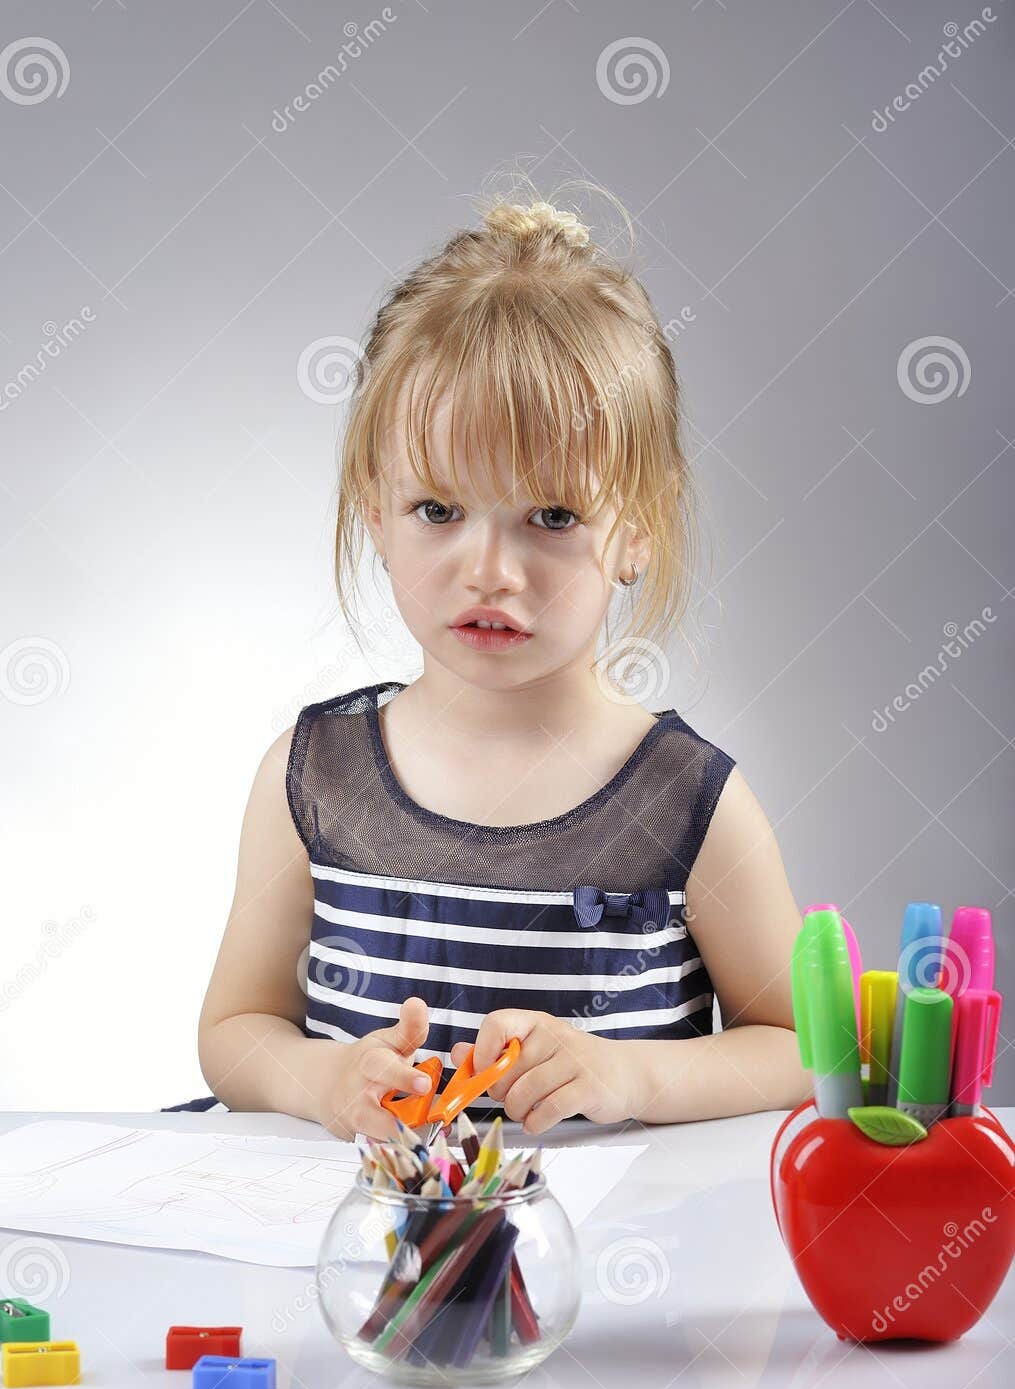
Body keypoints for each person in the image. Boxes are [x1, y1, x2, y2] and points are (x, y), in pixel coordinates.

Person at [176, 193, 808, 1139]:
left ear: (637, 527)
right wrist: (322, 1080)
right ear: (373, 509)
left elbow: (805, 1046)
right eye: (437, 509)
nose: (489, 571)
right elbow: (235, 1029)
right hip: (363, 1263)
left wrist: (631, 1078)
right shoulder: (312, 776)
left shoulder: (689, 803)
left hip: (598, 1269)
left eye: (551, 518)